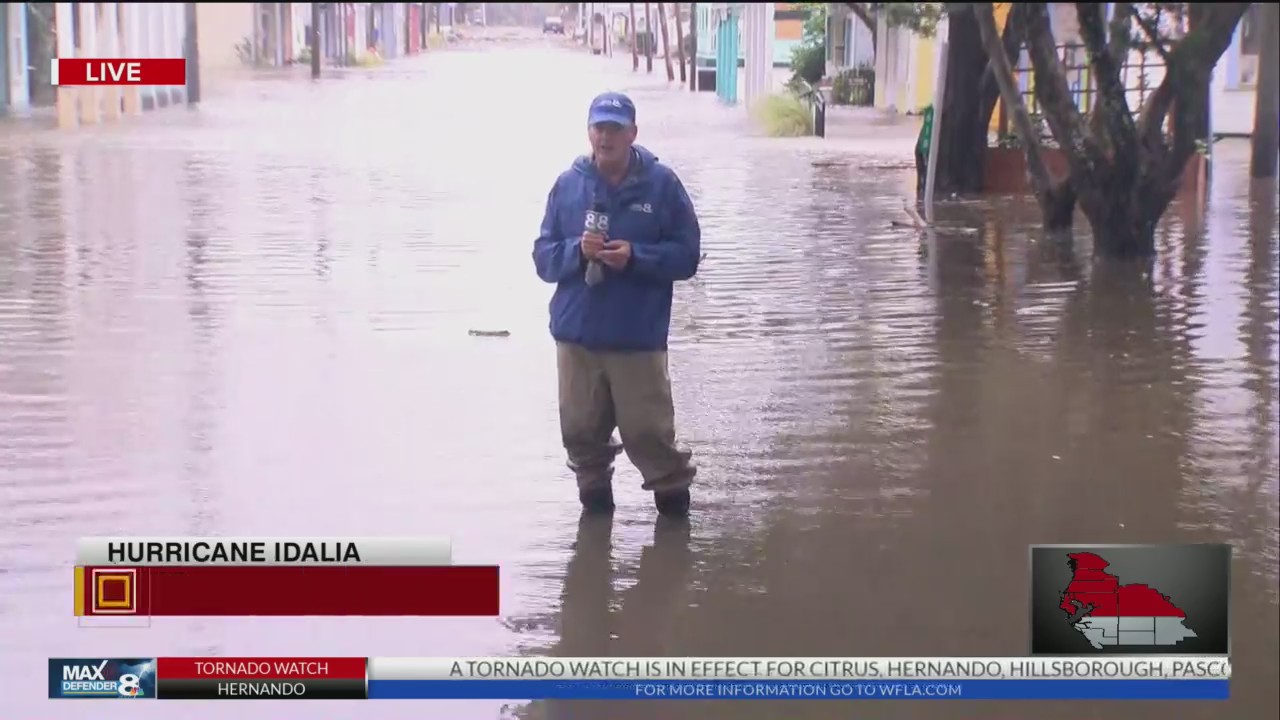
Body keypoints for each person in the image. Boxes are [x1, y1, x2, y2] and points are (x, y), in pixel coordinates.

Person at [532, 91, 701, 517]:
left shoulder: (662, 186)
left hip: (636, 337)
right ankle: (593, 549)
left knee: (650, 437)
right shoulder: (568, 186)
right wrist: (576, 251)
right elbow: (543, 258)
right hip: (577, 338)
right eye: (598, 127)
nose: (605, 136)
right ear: (589, 132)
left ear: (633, 133)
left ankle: (677, 548)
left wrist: (636, 257)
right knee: (581, 437)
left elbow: (686, 257)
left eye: (615, 128)